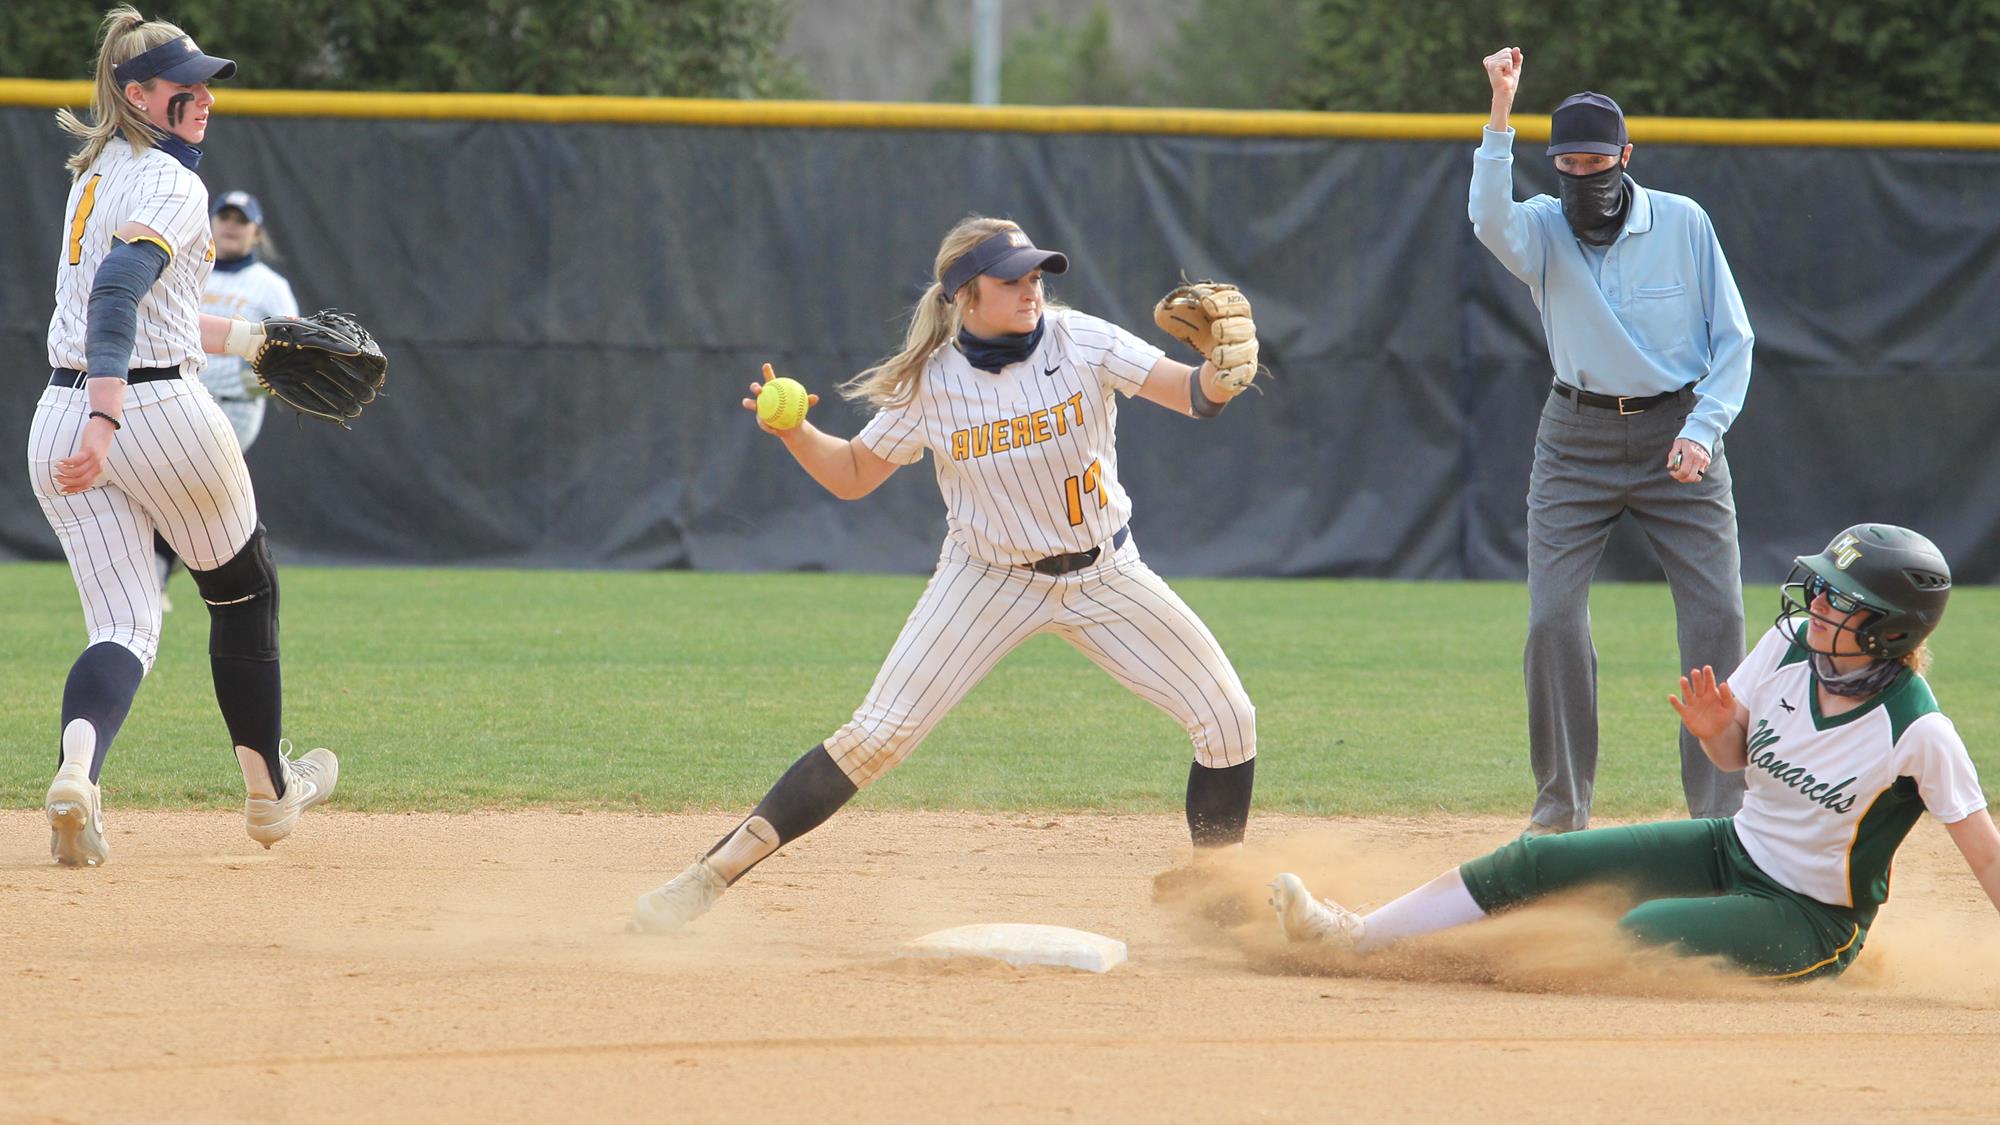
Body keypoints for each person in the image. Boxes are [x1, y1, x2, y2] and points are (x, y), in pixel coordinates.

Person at [634, 215, 1262, 933]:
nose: (1030, 288)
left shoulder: (1081, 339)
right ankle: (706, 876)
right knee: (876, 736)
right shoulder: (931, 385)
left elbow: (1194, 395)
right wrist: (794, 432)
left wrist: (1222, 372)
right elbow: (852, 475)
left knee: (1226, 717)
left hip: (1105, 573)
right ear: (966, 294)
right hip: (987, 578)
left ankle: (1217, 889)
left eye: (1034, 274)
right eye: (1011, 278)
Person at [1270, 524, 1999, 983]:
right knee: (1537, 860)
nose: (1818, 605)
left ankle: (1458, 964)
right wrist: (1717, 729)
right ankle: (1354, 935)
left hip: (1810, 917)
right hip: (1732, 849)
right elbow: (1732, 763)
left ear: (1889, 630)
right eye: (1823, 589)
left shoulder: (1919, 731)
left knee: (1637, 934)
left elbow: (1987, 856)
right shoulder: (1787, 646)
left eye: (1841, 600)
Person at [31, 6, 338, 867]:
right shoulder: (173, 183)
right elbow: (119, 297)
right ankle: (269, 794)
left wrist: (244, 340)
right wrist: (107, 413)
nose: (203, 97)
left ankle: (76, 777)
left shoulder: (97, 177)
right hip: (148, 411)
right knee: (243, 590)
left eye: (206, 83)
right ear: (139, 94)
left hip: (55, 414)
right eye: (184, 86)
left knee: (123, 624)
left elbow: (147, 306)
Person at [1474, 47, 1757, 836]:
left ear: (1627, 156)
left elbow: (1733, 340)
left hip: (1680, 435)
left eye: (1597, 160)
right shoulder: (1539, 228)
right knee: (1552, 619)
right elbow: (1487, 218)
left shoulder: (1685, 222)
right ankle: (1561, 814)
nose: (1583, 176)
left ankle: (1720, 816)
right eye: (1568, 164)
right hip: (1575, 435)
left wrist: (1704, 429)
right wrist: (1501, 109)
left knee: (1717, 619)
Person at [153, 188, 299, 604]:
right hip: (174, 392)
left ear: (256, 233)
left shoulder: (269, 286)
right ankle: (173, 564)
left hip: (234, 406)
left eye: (242, 220)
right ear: (211, 223)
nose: (232, 226)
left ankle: (168, 566)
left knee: (188, 484)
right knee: (170, 485)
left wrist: (263, 375)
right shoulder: (187, 269)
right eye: (225, 217)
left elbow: (290, 350)